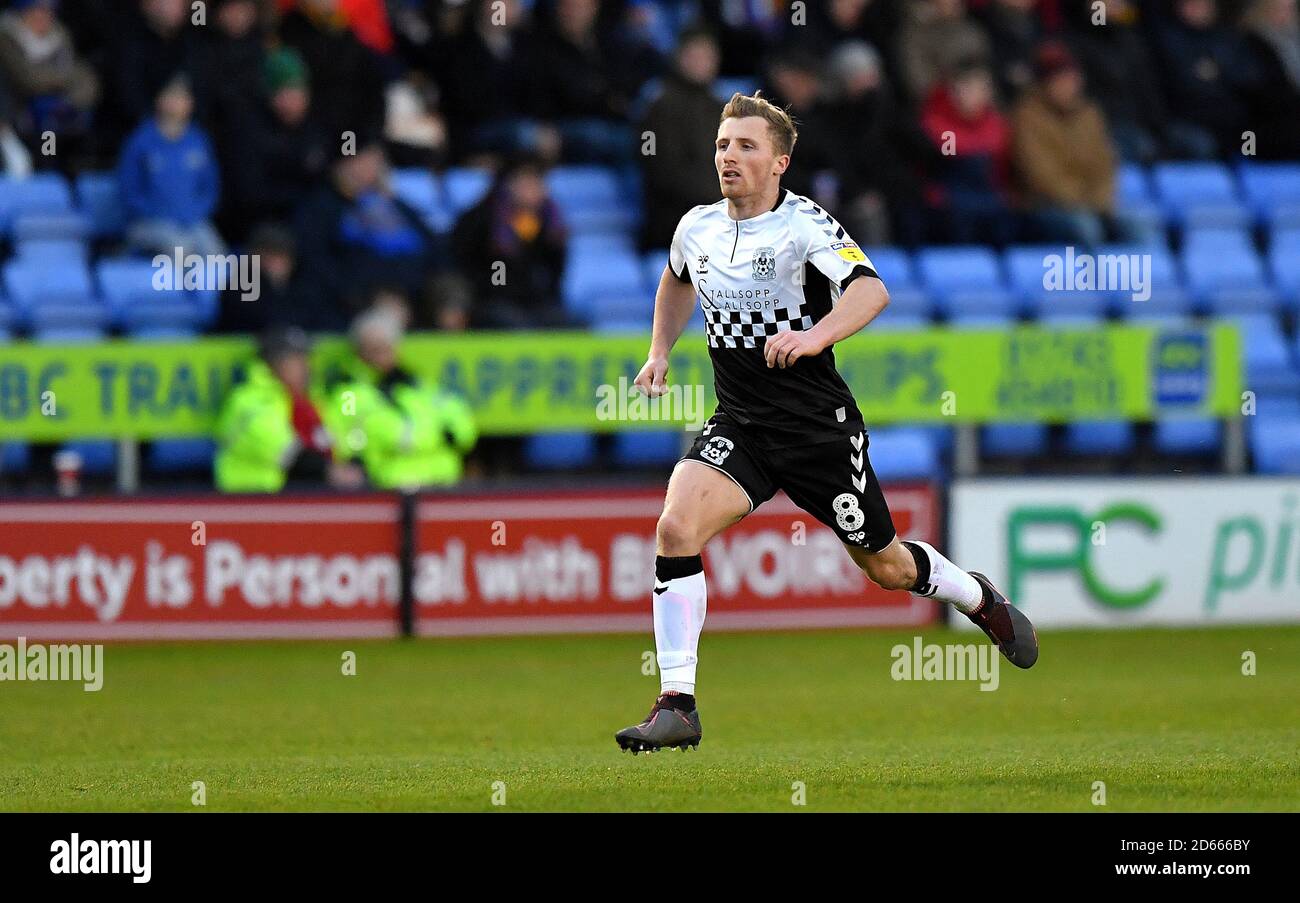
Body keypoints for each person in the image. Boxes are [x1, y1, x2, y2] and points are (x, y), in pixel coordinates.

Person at [614, 91, 1039, 754]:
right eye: (724, 145)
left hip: (818, 429)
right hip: (743, 424)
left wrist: (815, 336)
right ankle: (677, 703)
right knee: (675, 526)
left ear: (780, 161)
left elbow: (872, 289)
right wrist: (659, 351)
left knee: (887, 566)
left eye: (746, 146)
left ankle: (975, 595)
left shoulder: (804, 225)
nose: (729, 156)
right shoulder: (695, 226)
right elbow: (676, 280)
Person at [326, 307, 478, 491]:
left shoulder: (416, 384)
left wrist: (420, 438)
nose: (382, 355)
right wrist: (434, 435)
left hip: (443, 483)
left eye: (387, 346)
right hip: (388, 489)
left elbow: (463, 425)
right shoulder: (348, 394)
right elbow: (355, 440)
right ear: (360, 352)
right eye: (374, 348)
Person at [214, 326, 364, 493]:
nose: (305, 365)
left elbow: (341, 442)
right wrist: (329, 471)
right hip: (253, 499)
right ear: (271, 364)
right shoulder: (249, 400)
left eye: (305, 357)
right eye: (294, 359)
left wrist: (351, 465)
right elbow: (286, 452)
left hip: (307, 492)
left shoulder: (315, 398)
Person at [117, 73, 224, 259]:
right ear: (159, 100)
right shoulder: (140, 141)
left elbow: (210, 187)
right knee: (180, 248)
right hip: (149, 223)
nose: (177, 102)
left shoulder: (198, 139)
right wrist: (161, 214)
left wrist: (194, 212)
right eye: (172, 96)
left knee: (216, 253)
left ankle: (209, 289)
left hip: (193, 222)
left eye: (183, 97)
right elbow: (129, 192)